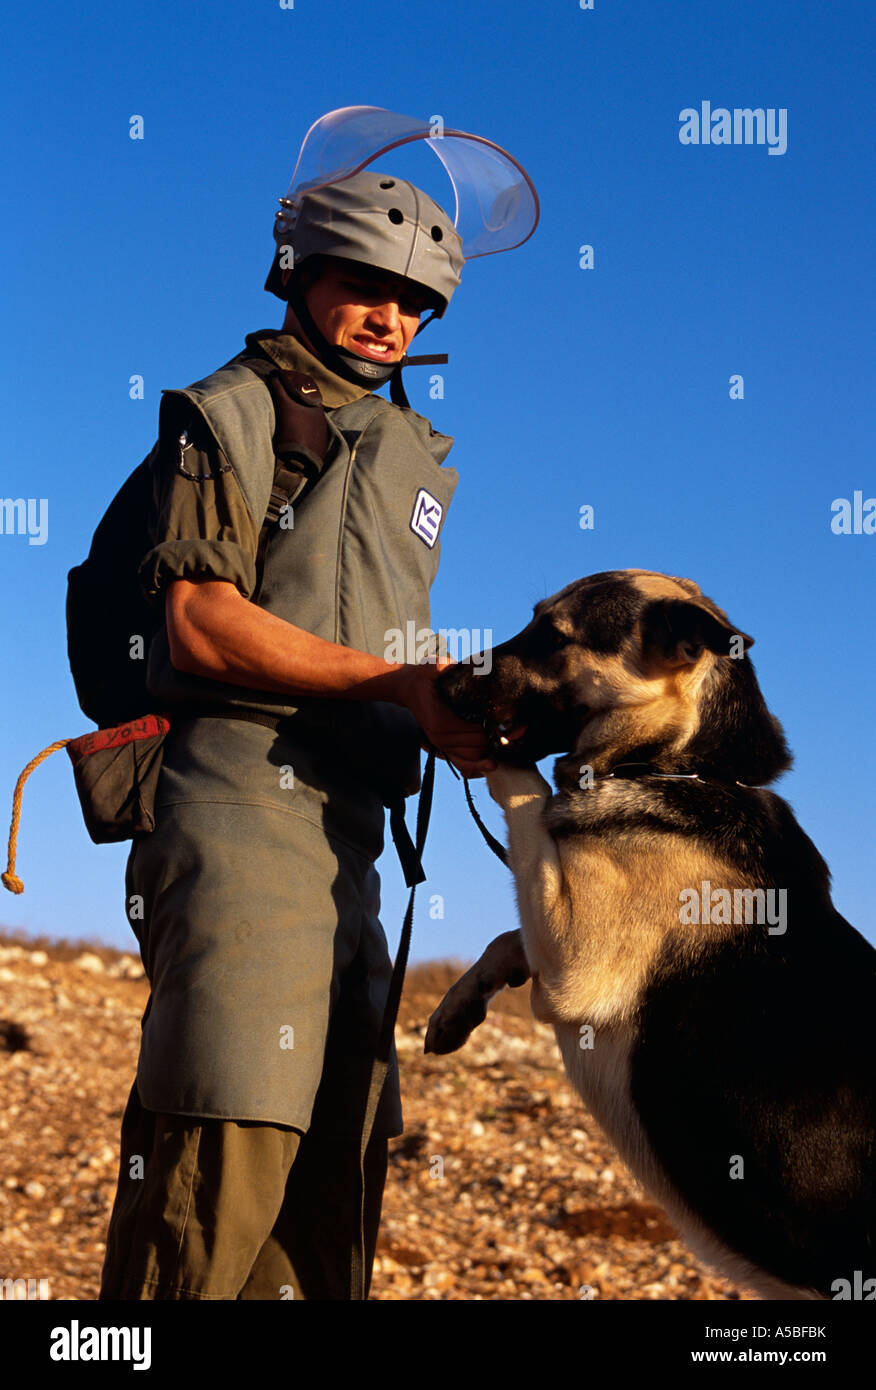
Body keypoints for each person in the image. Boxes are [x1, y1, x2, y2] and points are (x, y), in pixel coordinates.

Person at [98, 110, 537, 1301]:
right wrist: (393, 681)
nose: (394, 316)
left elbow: (374, 641)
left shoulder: (411, 458)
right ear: (300, 271)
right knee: (223, 1139)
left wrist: (449, 708)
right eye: (368, 285)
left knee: (337, 1173)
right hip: (242, 805)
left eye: (419, 301)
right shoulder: (230, 410)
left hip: (356, 837)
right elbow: (196, 621)